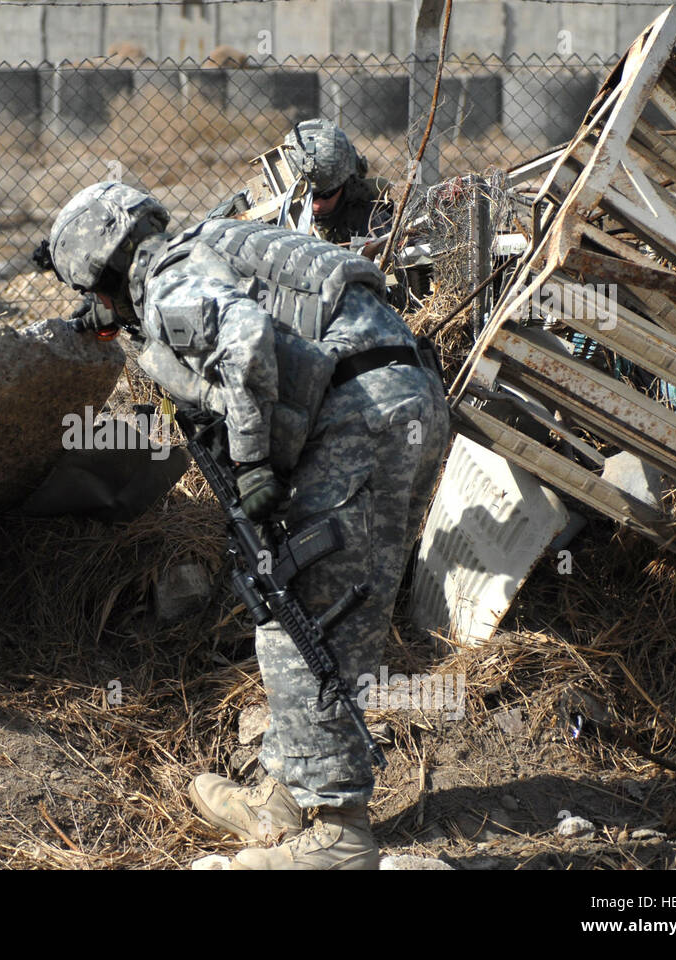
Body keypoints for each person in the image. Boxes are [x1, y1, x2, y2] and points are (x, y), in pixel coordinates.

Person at [46, 181, 449, 869]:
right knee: (307, 608)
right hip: (402, 405)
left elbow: (245, 338)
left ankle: (341, 830)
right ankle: (288, 795)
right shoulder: (209, 246)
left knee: (309, 616)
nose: (101, 311)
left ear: (103, 271)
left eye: (94, 294)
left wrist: (255, 458)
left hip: (357, 422)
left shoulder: (173, 280)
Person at [211, 119, 393, 253]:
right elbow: (208, 236)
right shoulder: (260, 202)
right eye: (308, 196)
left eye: (328, 194)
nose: (318, 205)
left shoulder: (370, 214)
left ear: (348, 180)